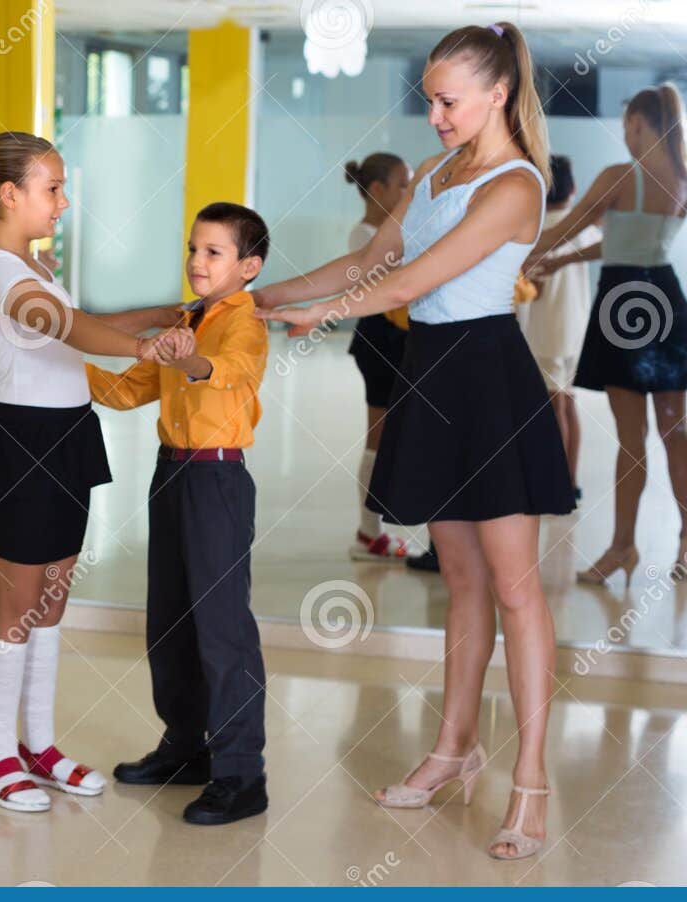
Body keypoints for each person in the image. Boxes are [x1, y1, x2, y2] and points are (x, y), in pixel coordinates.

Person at [254, 23, 569, 859]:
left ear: (498, 94)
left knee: (515, 588)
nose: (434, 116)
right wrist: (265, 294)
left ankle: (531, 779)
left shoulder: (516, 185)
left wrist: (322, 314)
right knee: (460, 579)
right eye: (429, 100)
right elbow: (369, 260)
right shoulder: (433, 172)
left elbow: (414, 279)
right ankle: (452, 748)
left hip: (489, 378)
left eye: (447, 100)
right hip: (431, 373)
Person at [0, 131, 172, 813]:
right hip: (20, 443)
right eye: (52, 189)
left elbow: (77, 319)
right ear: (9, 194)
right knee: (17, 605)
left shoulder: (37, 265)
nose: (63, 202)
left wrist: (162, 314)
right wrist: (143, 346)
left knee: (51, 600)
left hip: (68, 436)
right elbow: (60, 325)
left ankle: (40, 748)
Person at [91, 203, 272, 825]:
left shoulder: (245, 322)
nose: (197, 261)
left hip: (216, 479)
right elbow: (129, 390)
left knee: (222, 629)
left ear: (248, 267)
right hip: (170, 474)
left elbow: (228, 371)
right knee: (169, 620)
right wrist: (60, 363)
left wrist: (188, 357)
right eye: (194, 248)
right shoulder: (187, 319)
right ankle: (186, 748)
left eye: (214, 252)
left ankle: (241, 775)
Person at [527, 84, 687, 585]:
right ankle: (685, 543)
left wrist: (509, 249)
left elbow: (566, 228)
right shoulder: (681, 180)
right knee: (676, 433)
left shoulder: (620, 176)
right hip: (664, 300)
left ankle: (622, 547)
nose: (625, 135)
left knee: (631, 438)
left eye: (626, 126)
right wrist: (561, 262)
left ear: (638, 123)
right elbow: (624, 242)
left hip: (622, 303)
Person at [342, 152, 414, 563]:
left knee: (391, 436)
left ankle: (375, 529)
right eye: (403, 184)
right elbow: (393, 283)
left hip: (399, 339)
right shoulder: (365, 235)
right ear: (377, 189)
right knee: (378, 436)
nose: (408, 192)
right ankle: (369, 533)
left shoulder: (391, 230)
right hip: (380, 341)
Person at [518, 154, 599, 501]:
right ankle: (571, 481)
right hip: (577, 330)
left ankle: (556, 488)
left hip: (546, 332)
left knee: (553, 410)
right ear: (573, 188)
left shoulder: (538, 232)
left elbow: (532, 290)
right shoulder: (584, 228)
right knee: (567, 403)